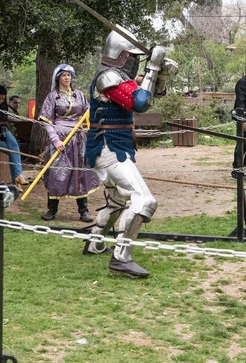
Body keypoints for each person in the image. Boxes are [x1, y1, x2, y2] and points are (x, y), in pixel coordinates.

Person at [82, 28, 178, 277]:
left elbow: (149, 93)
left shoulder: (118, 78)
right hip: (108, 148)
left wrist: (162, 75)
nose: (135, 61)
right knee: (144, 200)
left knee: (117, 200)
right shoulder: (107, 78)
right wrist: (153, 67)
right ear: (122, 55)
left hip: (115, 146)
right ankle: (121, 257)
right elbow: (140, 102)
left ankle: (95, 241)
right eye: (132, 56)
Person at [38, 64, 100, 222]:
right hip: (60, 140)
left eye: (69, 75)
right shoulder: (52, 96)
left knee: (80, 173)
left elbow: (89, 113)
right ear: (58, 77)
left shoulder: (79, 95)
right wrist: (55, 140)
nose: (67, 78)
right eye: (64, 75)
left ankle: (83, 211)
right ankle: (51, 210)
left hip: (78, 141)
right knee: (56, 173)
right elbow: (47, 121)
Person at [0, 85, 29, 188]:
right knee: (12, 153)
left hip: (3, 131)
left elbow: (5, 120)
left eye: (2, 98)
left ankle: (18, 175)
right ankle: (16, 179)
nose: (0, 101)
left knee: (15, 147)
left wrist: (1, 123)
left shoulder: (4, 106)